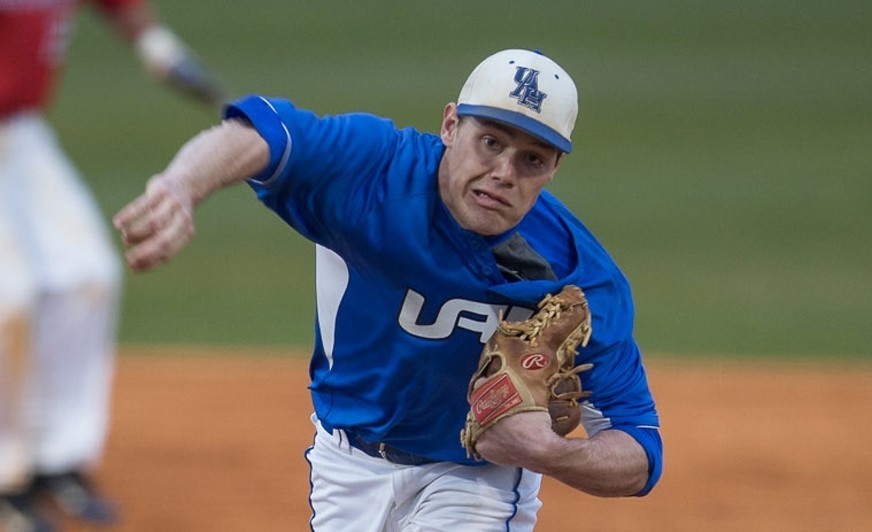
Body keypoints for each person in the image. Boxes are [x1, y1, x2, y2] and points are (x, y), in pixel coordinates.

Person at [113, 48, 663, 530]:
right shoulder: (375, 171)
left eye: (531, 160)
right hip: (345, 461)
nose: (503, 171)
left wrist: (548, 453)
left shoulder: (575, 275)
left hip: (473, 479)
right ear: (450, 126)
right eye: (490, 141)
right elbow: (261, 134)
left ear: (554, 169)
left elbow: (640, 448)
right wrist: (183, 185)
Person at [0, 1, 224, 530]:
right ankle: (5, 475)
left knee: (87, 276)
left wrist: (157, 48)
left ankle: (57, 459)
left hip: (18, 132)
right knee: (9, 296)